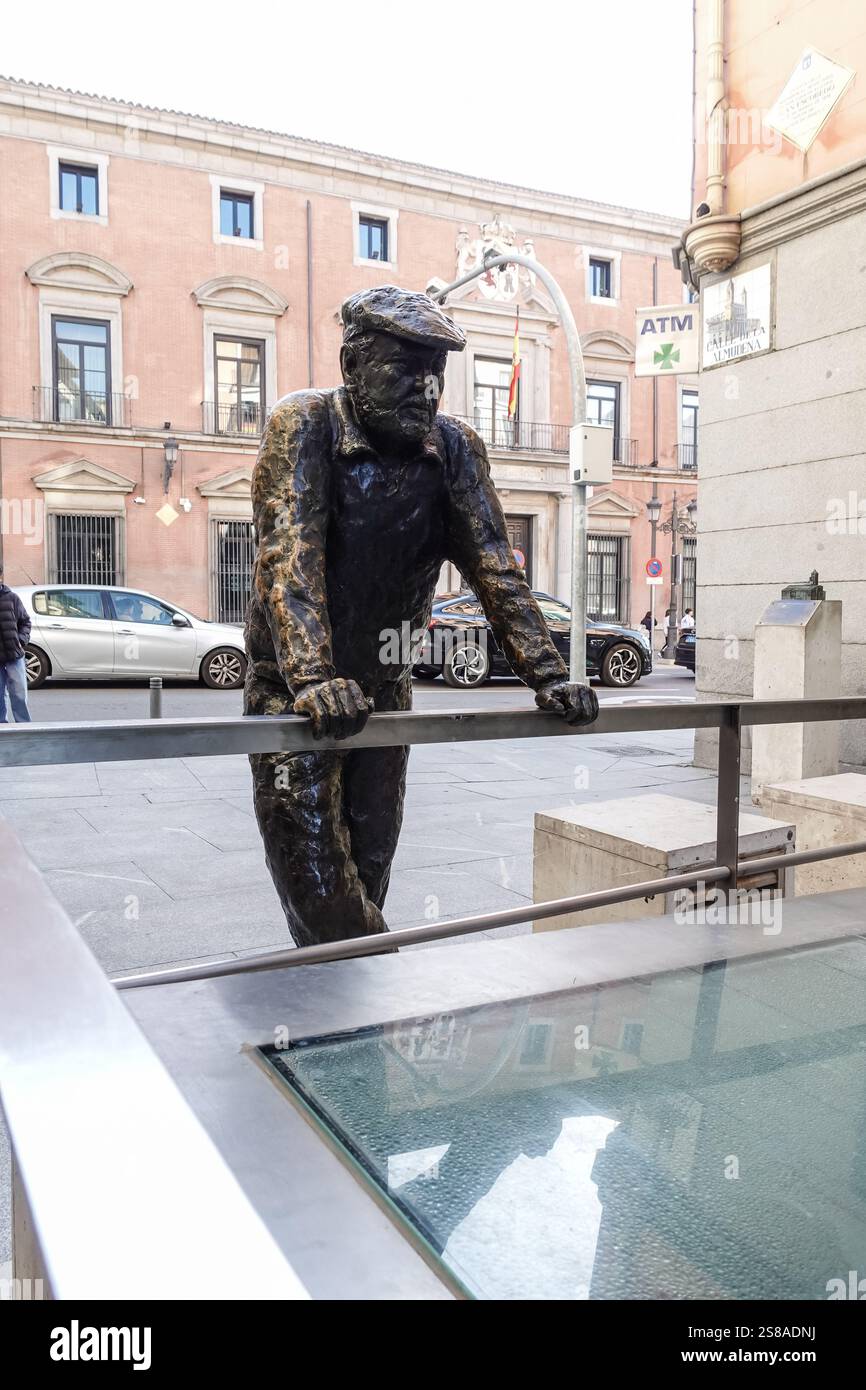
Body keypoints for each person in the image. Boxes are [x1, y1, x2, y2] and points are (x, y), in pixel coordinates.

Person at [245, 285, 599, 948]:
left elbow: (495, 566)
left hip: (386, 691)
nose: (426, 390)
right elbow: (288, 557)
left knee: (369, 874)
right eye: (406, 372)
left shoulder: (454, 448)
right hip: (294, 698)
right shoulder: (306, 425)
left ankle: (337, 1028)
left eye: (435, 374)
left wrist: (547, 675)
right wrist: (314, 676)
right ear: (352, 366)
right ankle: (378, 990)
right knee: (322, 893)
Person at [0, 568, 32, 723]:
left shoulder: (12, 598)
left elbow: (25, 622)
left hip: (14, 655)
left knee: (19, 695)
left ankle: (25, 730)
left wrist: (21, 640)